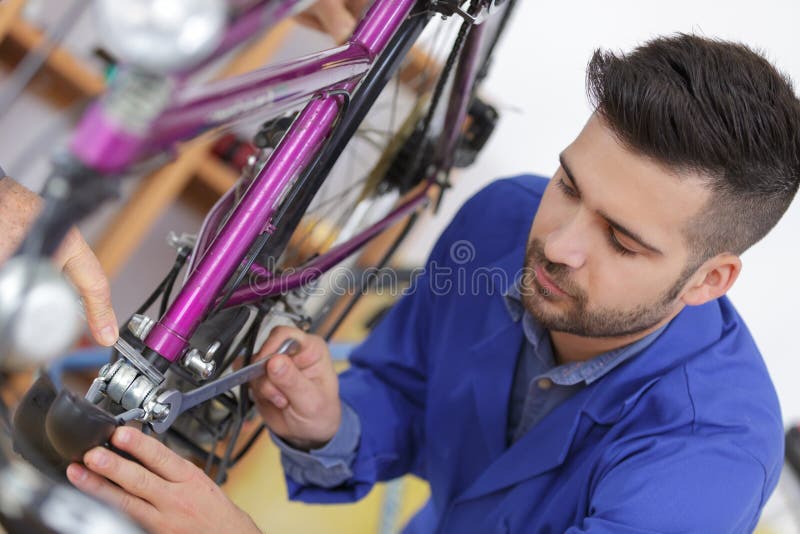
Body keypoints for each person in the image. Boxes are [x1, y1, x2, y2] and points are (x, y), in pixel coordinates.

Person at [5, 6, 800, 534]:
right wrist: (331, 422)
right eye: (569, 185)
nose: (558, 243)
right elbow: (410, 390)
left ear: (709, 281)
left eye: (623, 241)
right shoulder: (503, 221)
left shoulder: (710, 453)